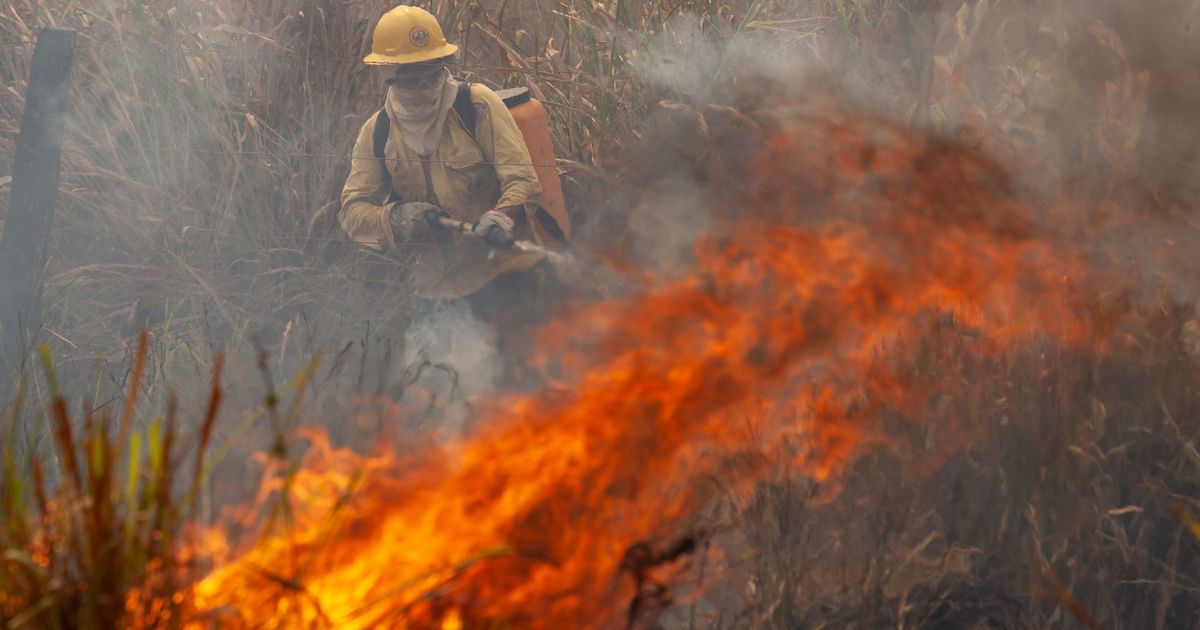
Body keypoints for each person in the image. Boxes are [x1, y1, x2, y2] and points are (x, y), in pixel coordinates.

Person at [340, 5, 560, 388]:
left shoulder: (476, 106)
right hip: (437, 291)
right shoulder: (376, 134)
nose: (423, 87)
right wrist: (396, 218)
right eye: (409, 79)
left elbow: (523, 179)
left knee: (526, 392)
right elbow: (352, 212)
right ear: (387, 77)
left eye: (431, 74)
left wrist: (502, 216)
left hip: (506, 275)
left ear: (444, 64)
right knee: (437, 399)